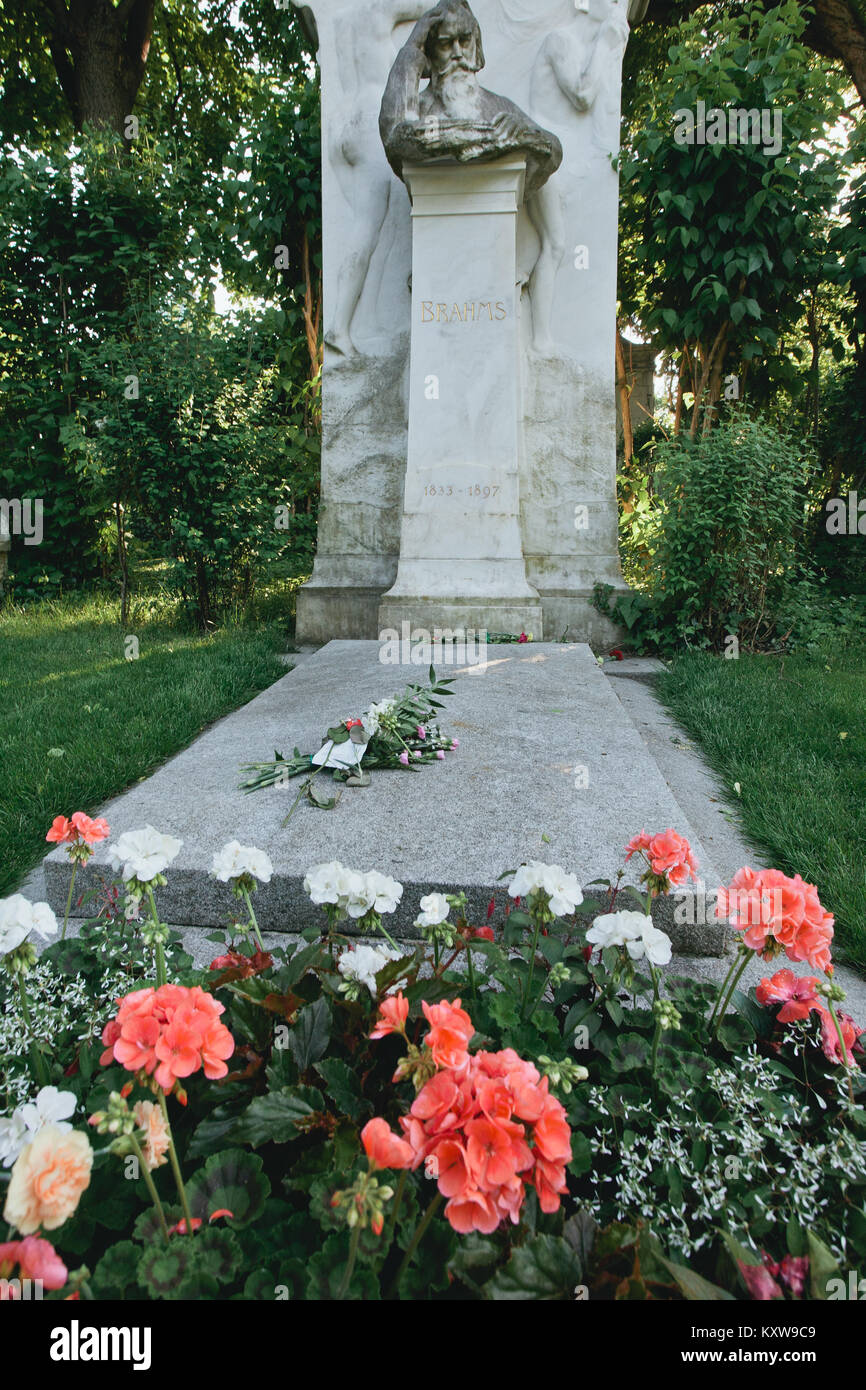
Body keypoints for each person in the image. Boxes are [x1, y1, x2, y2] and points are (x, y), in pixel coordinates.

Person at [380, 0, 562, 197]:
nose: (457, 53)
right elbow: (394, 138)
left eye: (464, 41)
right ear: (430, 55)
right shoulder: (420, 109)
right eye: (445, 44)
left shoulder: (498, 107)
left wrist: (524, 132)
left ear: (475, 46)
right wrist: (412, 49)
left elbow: (553, 150)